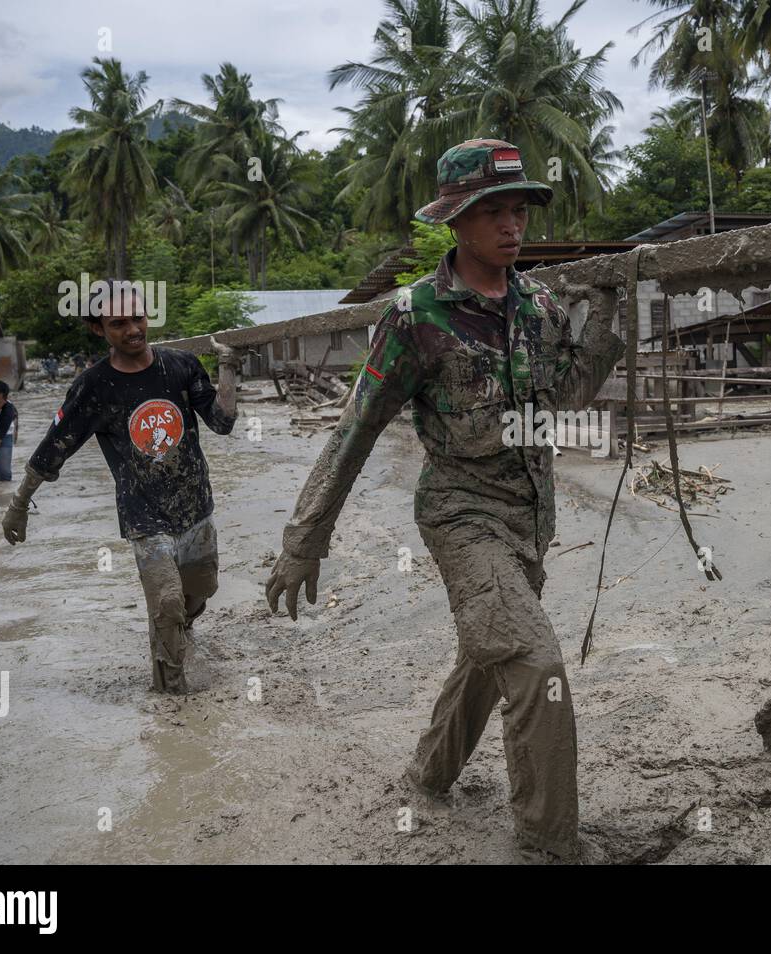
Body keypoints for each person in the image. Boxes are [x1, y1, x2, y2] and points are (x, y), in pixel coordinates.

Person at [265, 139, 625, 862]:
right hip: (461, 515)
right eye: (493, 211)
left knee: (488, 652)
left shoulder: (541, 304)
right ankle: (550, 845)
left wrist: (602, 335)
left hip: (531, 517)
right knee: (534, 667)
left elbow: (560, 408)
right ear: (456, 220)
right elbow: (355, 428)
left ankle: (429, 775)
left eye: (519, 210)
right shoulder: (414, 315)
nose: (511, 225)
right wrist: (306, 538)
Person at [1, 282, 243, 693]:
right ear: (99, 330)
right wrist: (20, 503)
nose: (133, 329)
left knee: (201, 590)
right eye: (118, 324)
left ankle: (180, 629)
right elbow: (53, 448)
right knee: (166, 601)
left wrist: (227, 369)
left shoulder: (181, 366)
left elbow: (223, 422)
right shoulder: (94, 387)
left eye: (138, 318)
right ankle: (171, 699)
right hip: (143, 513)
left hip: (195, 503)